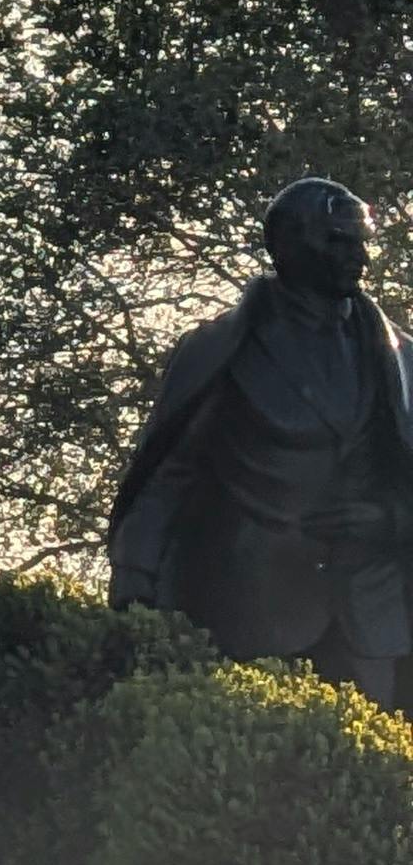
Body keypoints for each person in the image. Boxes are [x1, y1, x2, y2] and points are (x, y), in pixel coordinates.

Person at [107, 177, 413, 703]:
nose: (359, 256)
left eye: (362, 240)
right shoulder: (222, 351)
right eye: (339, 240)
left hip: (372, 617)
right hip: (254, 611)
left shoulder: (401, 358)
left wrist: (388, 519)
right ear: (288, 246)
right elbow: (168, 476)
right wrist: (134, 582)